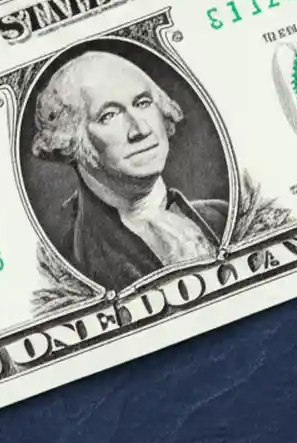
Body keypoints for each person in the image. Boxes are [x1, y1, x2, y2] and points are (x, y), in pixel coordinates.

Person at [31, 51, 228, 290]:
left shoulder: (220, 217)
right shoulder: (69, 267)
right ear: (71, 140)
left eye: (143, 103)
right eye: (109, 116)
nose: (141, 129)